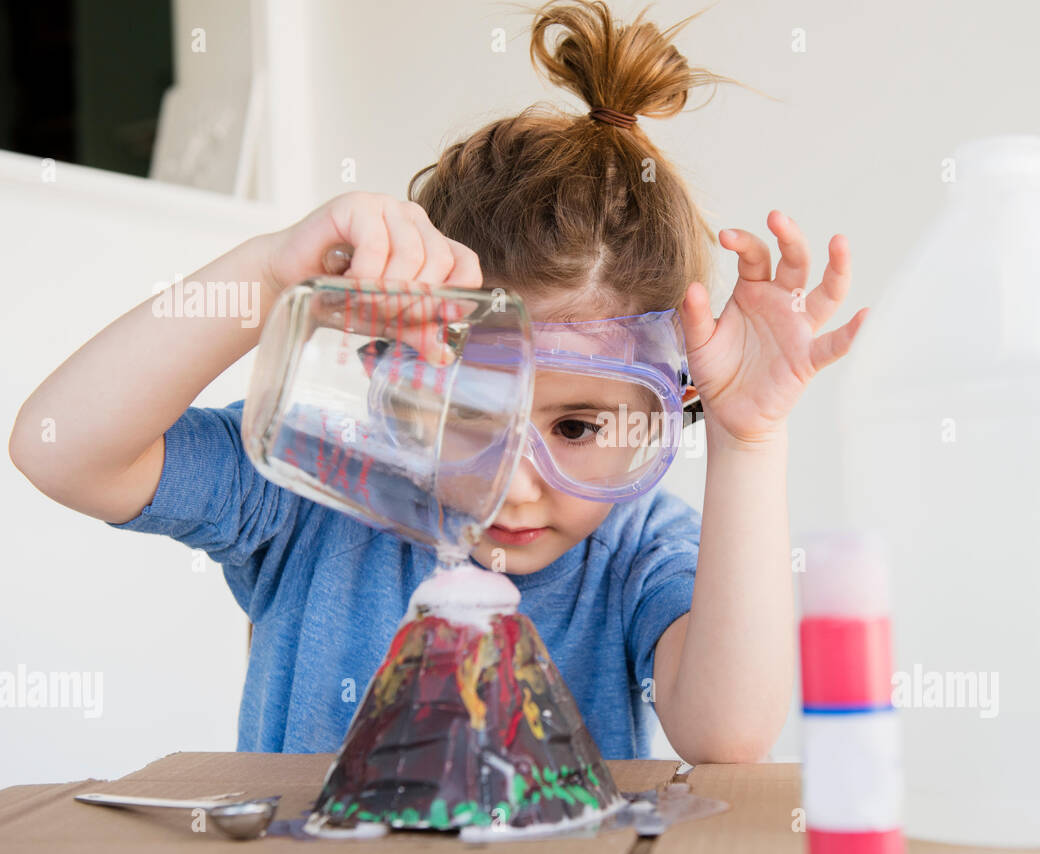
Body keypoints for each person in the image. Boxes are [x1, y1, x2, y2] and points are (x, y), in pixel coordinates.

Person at [8, 0, 865, 763]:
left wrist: (749, 440)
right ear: (397, 376)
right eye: (471, 408)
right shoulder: (323, 498)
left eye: (576, 428)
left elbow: (728, 733)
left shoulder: (638, 551)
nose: (515, 486)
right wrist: (269, 274)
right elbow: (63, 451)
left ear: (668, 406)